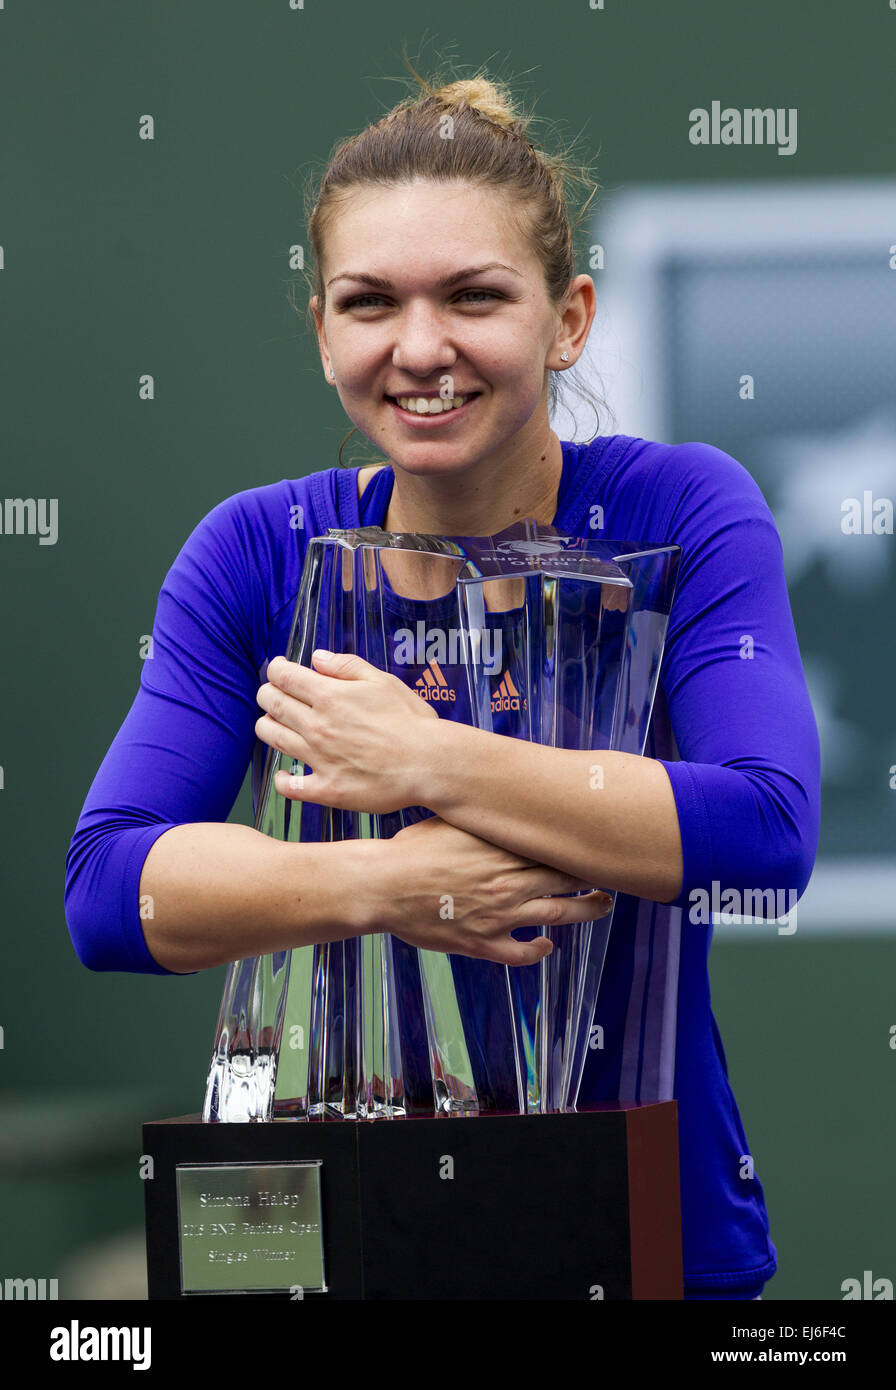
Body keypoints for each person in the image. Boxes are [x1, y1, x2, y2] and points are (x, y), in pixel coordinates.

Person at [64, 61, 820, 1301]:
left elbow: (764, 828)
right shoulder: (256, 547)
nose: (422, 348)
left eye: (474, 296)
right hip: (326, 1246)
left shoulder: (680, 507)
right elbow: (108, 893)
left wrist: (426, 759)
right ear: (321, 330)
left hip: (645, 1243)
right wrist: (390, 881)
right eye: (369, 303)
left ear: (567, 318)